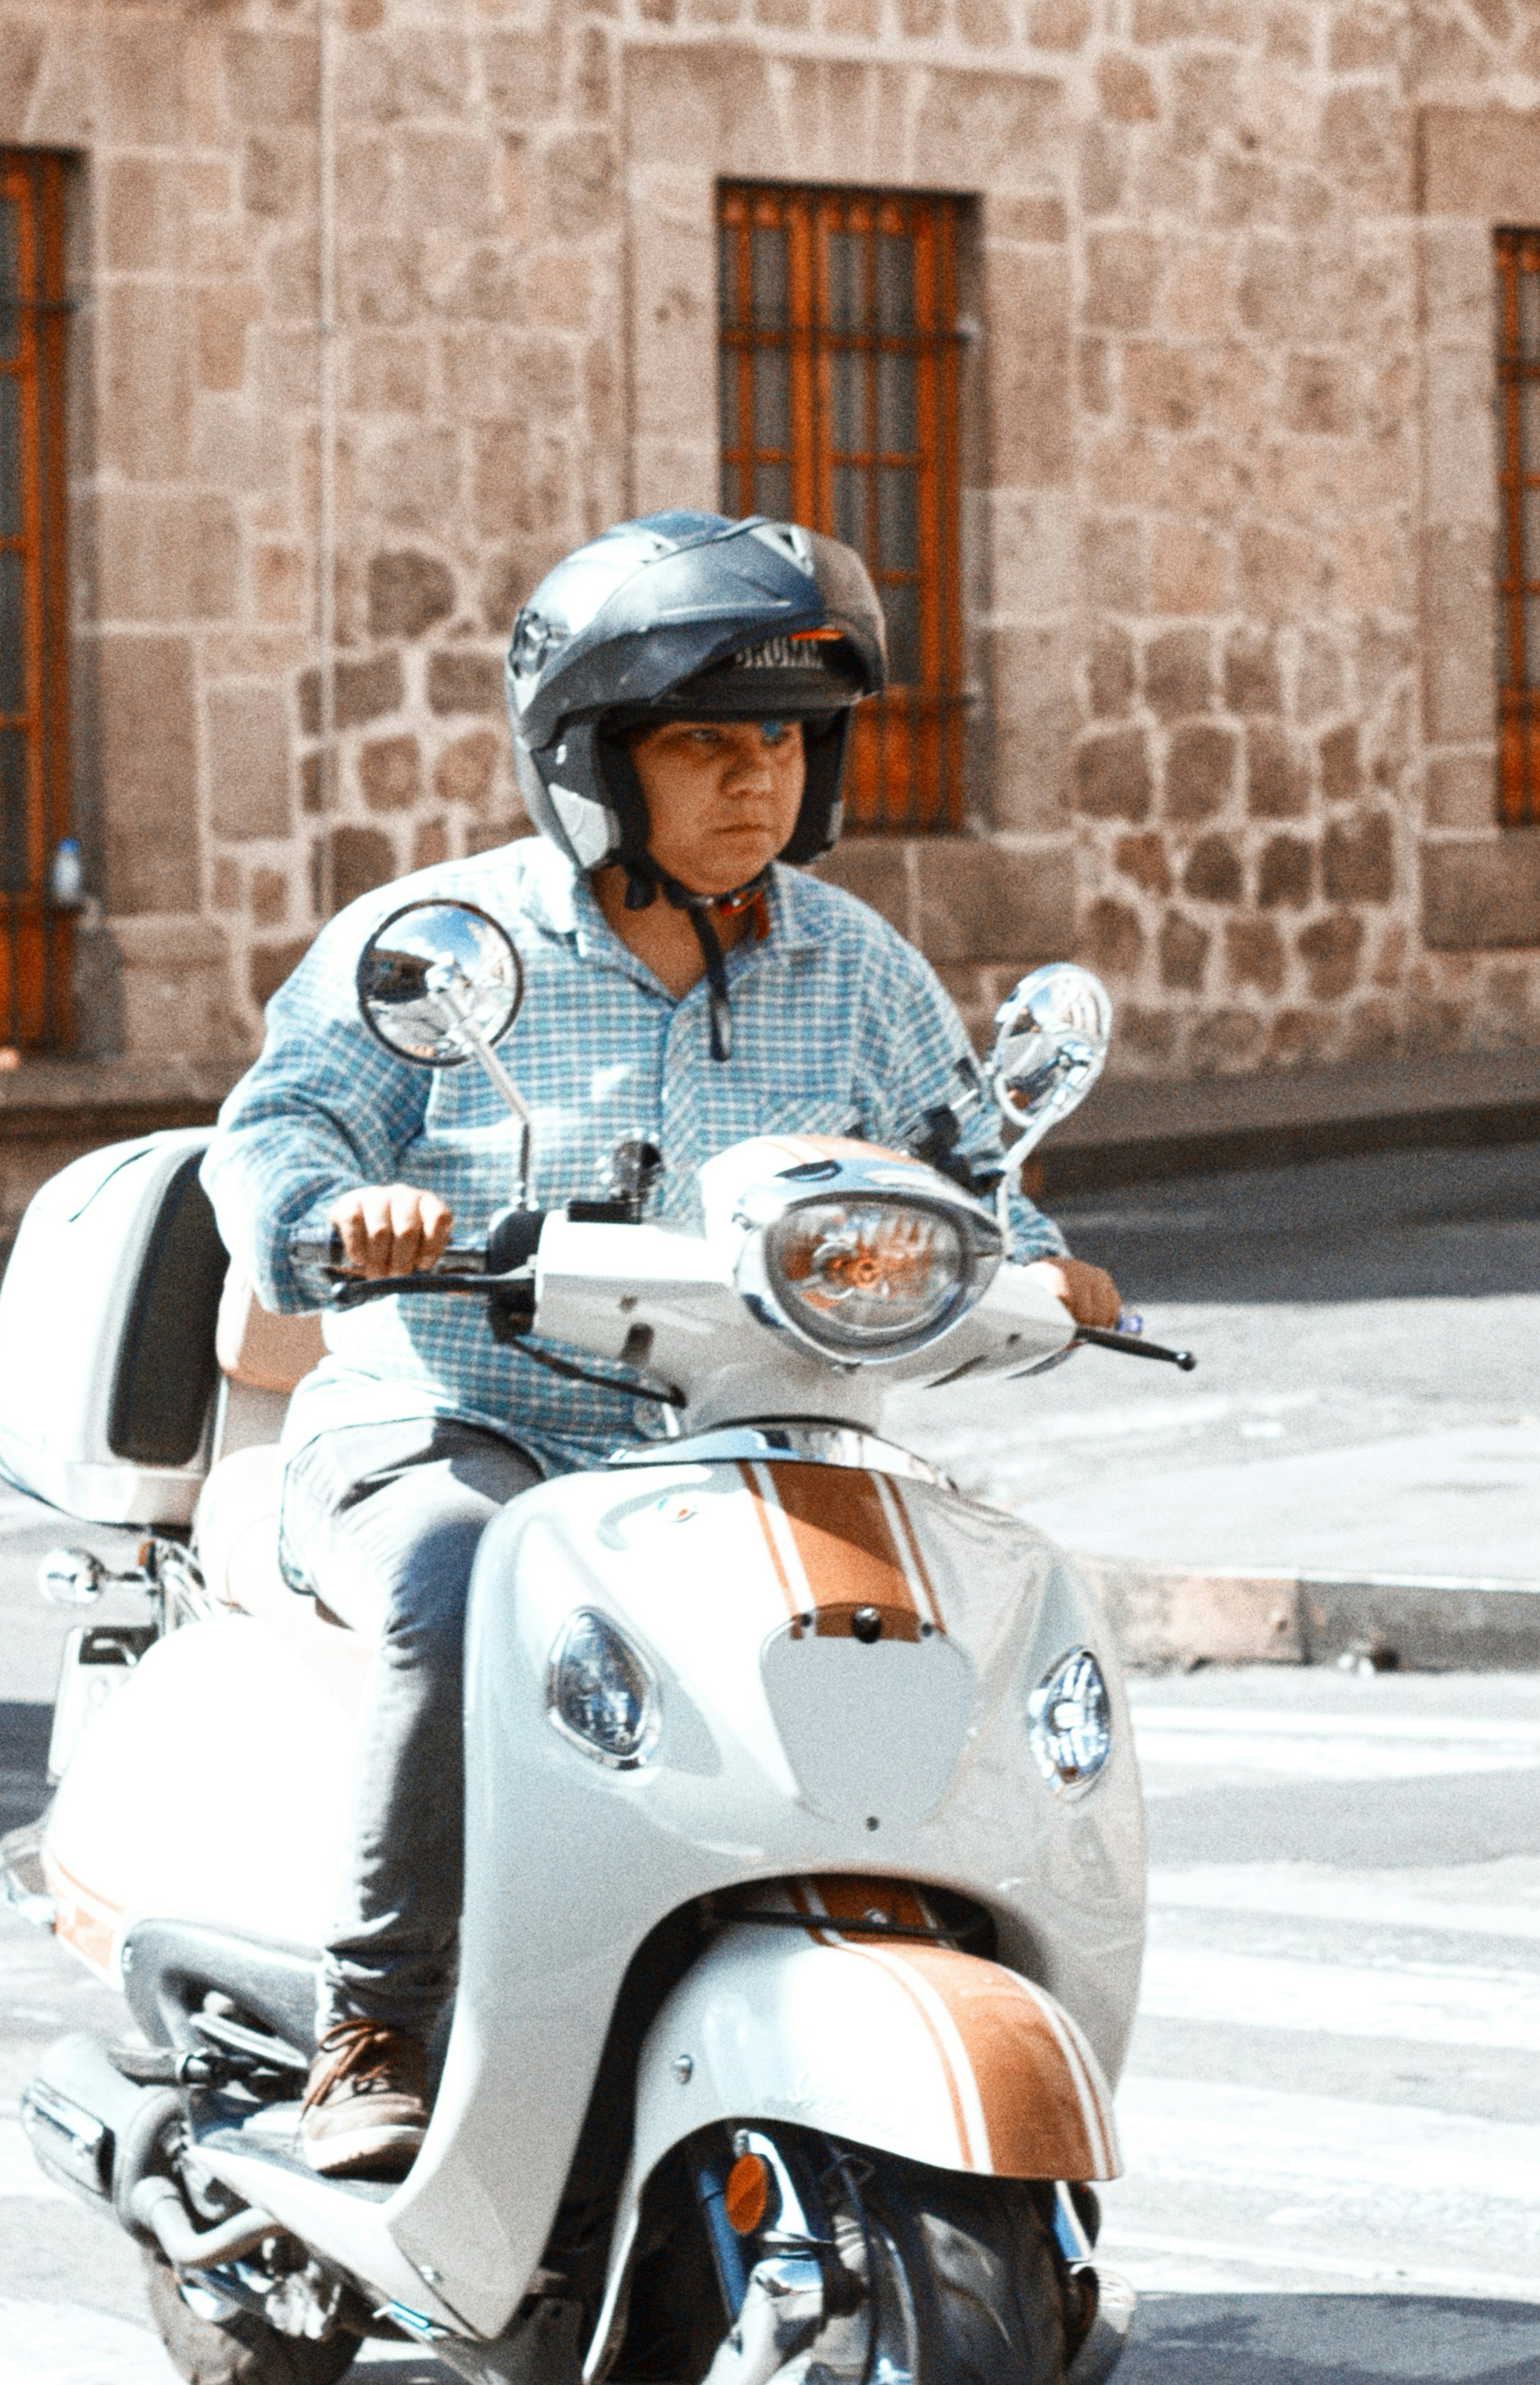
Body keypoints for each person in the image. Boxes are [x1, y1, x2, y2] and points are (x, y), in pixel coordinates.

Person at [205, 511, 1120, 2177]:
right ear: (594, 761)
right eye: (704, 743)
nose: (755, 780)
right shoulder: (441, 947)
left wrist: (1052, 1272)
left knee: (944, 1598)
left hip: (744, 1452)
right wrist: (344, 1217)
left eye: (782, 740)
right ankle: (377, 2020)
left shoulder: (854, 966)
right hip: (456, 1423)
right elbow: (277, 1133)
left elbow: (967, 1174)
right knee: (454, 1581)